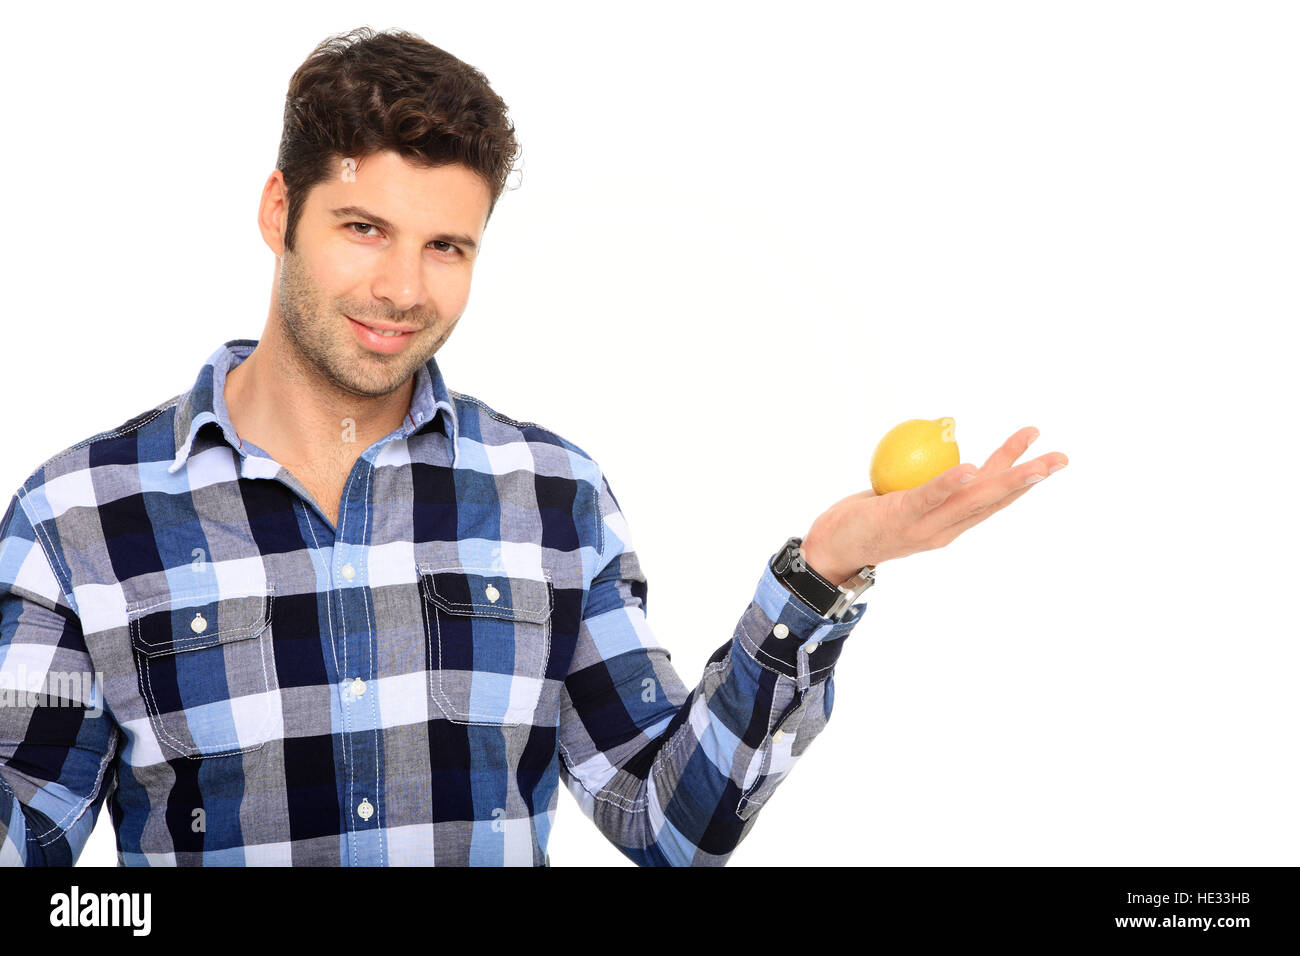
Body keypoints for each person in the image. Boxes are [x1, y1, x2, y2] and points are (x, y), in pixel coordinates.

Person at [0, 27, 1067, 867]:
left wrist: (819, 575)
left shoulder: (553, 496)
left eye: (446, 246)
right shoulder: (77, 517)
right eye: (363, 228)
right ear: (281, 209)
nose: (402, 290)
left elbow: (668, 823)